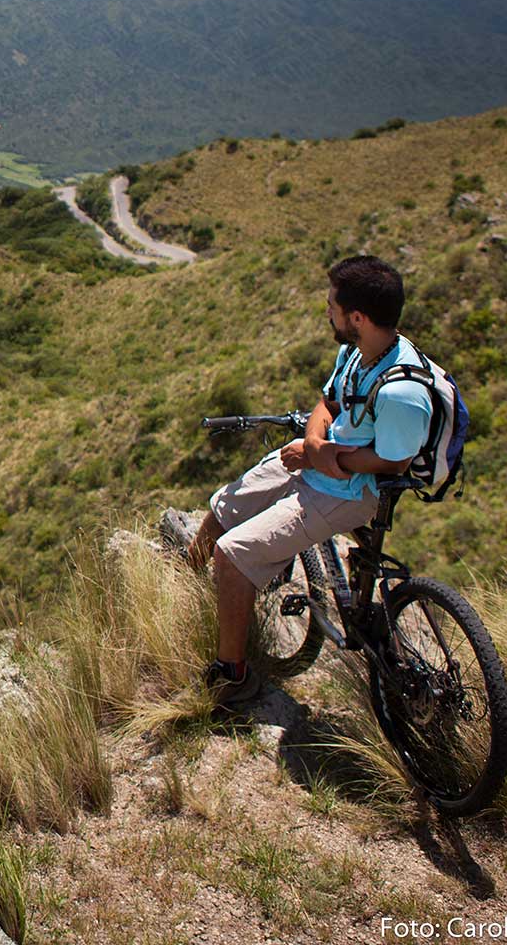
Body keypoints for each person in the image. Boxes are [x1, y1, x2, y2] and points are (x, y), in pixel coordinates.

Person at [162, 255, 435, 710]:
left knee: (232, 555)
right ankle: (187, 571)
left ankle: (234, 677)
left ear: (357, 317)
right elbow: (327, 404)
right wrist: (312, 443)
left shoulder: (401, 389)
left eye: (331, 304)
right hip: (315, 464)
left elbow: (395, 460)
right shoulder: (355, 352)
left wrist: (323, 456)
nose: (326, 311)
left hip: (346, 492)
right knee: (229, 503)